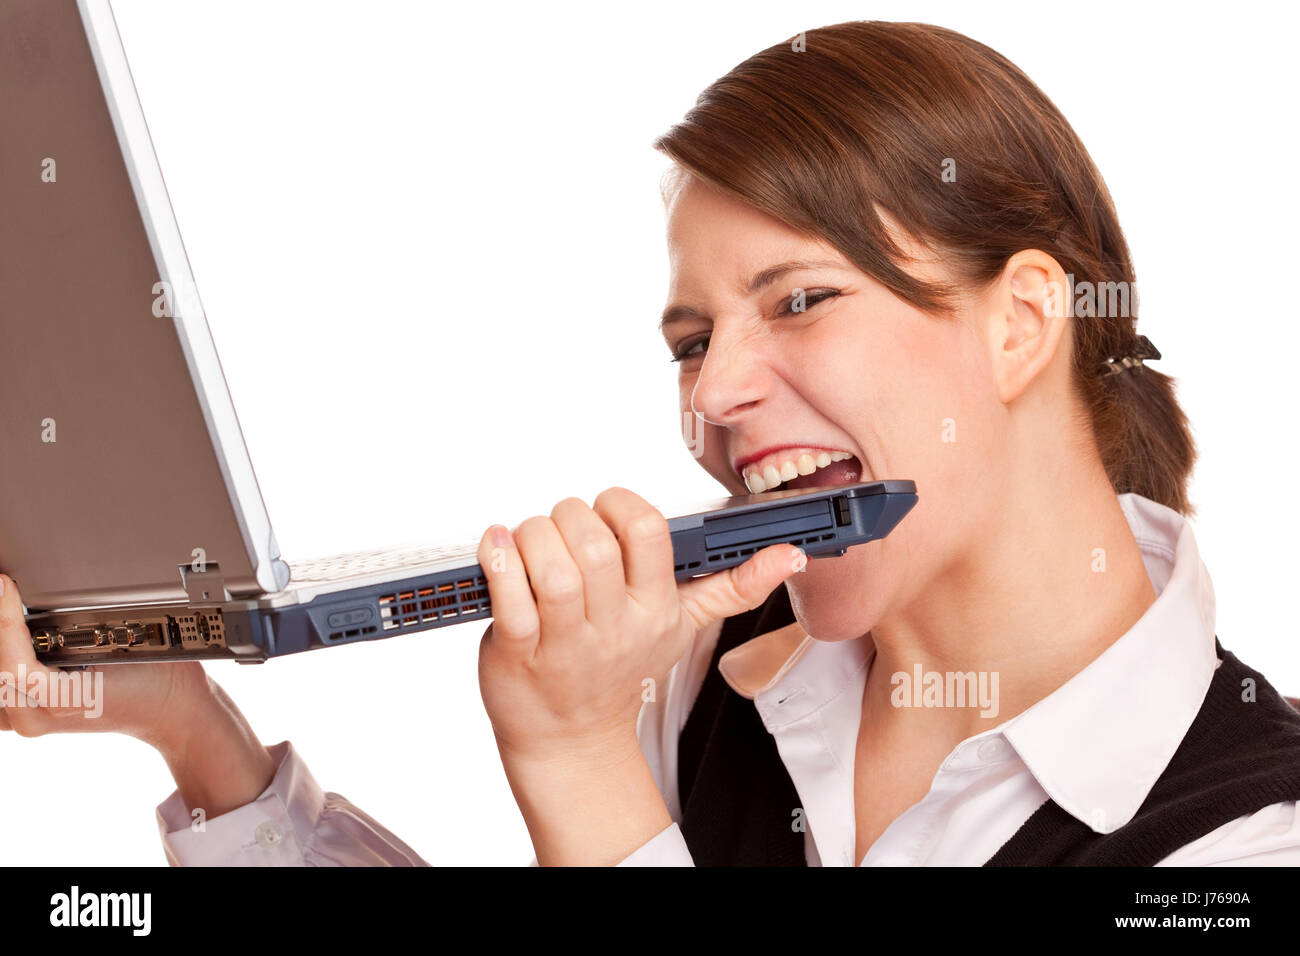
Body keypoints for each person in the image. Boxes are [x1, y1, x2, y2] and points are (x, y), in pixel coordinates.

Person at [4, 19, 1300, 866]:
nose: (716, 394)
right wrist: (199, 737)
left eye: (800, 300)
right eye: (691, 339)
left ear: (1020, 324)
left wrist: (575, 760)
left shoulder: (1248, 833)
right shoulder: (727, 678)